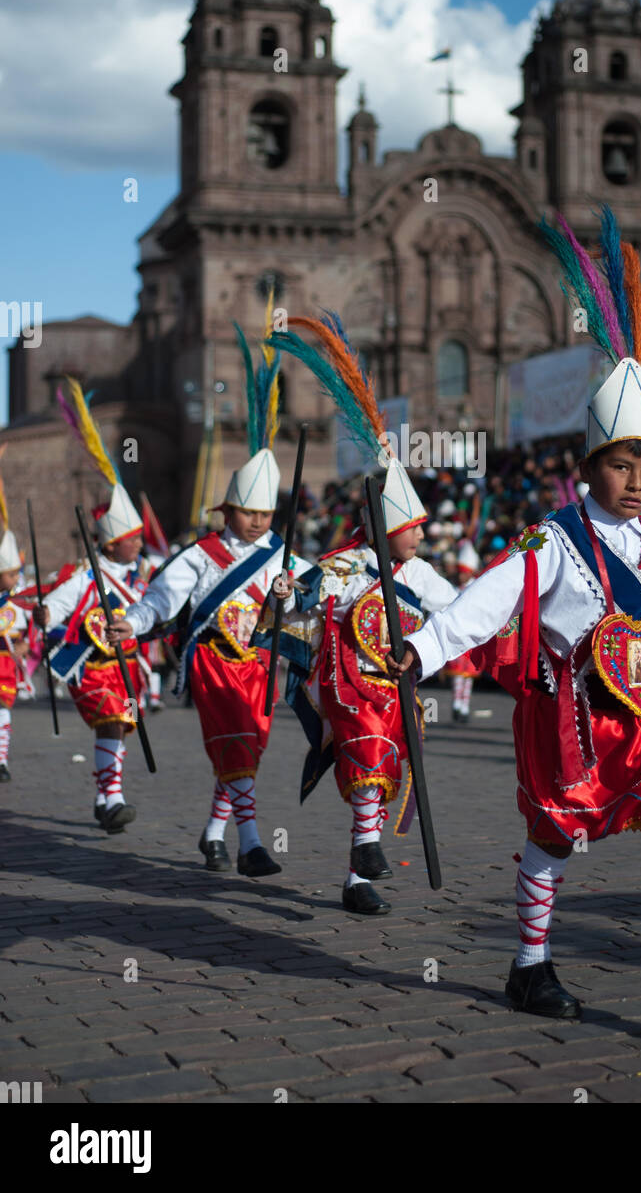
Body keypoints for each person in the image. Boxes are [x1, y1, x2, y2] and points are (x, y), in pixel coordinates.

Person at [389, 208, 641, 1025]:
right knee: (553, 837)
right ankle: (529, 965)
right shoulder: (552, 538)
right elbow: (486, 600)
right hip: (573, 719)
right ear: (588, 467)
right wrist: (423, 646)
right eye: (620, 464)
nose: (637, 479)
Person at [264, 312, 459, 915]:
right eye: (412, 530)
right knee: (370, 749)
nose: (421, 539)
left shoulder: (420, 575)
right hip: (346, 683)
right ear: (382, 529)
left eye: (423, 529)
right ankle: (368, 846)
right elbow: (306, 594)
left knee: (382, 768)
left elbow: (462, 609)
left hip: (393, 680)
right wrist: (284, 591)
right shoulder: (348, 566)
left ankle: (357, 878)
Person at [109, 317, 288, 875]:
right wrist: (133, 624)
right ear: (227, 510)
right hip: (213, 661)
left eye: (264, 513)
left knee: (243, 749)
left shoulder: (281, 552)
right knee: (235, 741)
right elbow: (162, 599)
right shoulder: (199, 554)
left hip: (258, 660)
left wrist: (293, 590)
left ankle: (213, 835)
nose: (257, 522)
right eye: (248, 512)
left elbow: (315, 590)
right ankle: (251, 843)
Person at [34, 380, 155, 832]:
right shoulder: (88, 575)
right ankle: (112, 796)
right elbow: (59, 605)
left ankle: (107, 796)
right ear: (113, 544)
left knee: (119, 727)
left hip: (129, 664)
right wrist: (48, 614)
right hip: (92, 665)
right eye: (133, 540)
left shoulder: (141, 578)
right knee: (112, 719)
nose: (140, 544)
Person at [0, 469, 30, 782]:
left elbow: (25, 630)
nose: (16, 578)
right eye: (11, 573)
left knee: (2, 710)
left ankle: (1, 758)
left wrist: (25, 644)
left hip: (5, 664)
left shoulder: (17, 601)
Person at [446, 540, 481, 724]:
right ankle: (456, 704)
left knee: (468, 676)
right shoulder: (452, 589)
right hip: (457, 635)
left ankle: (464, 705)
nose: (461, 576)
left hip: (471, 636)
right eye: (459, 572)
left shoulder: (477, 588)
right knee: (458, 674)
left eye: (464, 572)